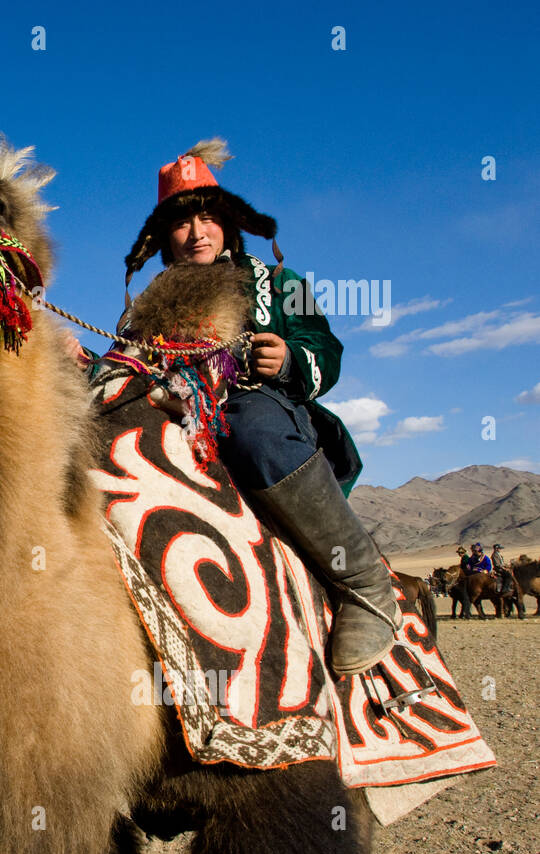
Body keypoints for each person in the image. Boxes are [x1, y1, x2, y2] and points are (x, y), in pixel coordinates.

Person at [117, 139, 395, 677]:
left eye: (207, 218)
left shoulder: (278, 284)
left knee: (252, 429)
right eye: (180, 223)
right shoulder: (148, 305)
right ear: (162, 238)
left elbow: (327, 351)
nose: (196, 233)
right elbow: (124, 362)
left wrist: (291, 357)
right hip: (172, 414)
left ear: (228, 224)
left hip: (262, 413)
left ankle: (364, 585)